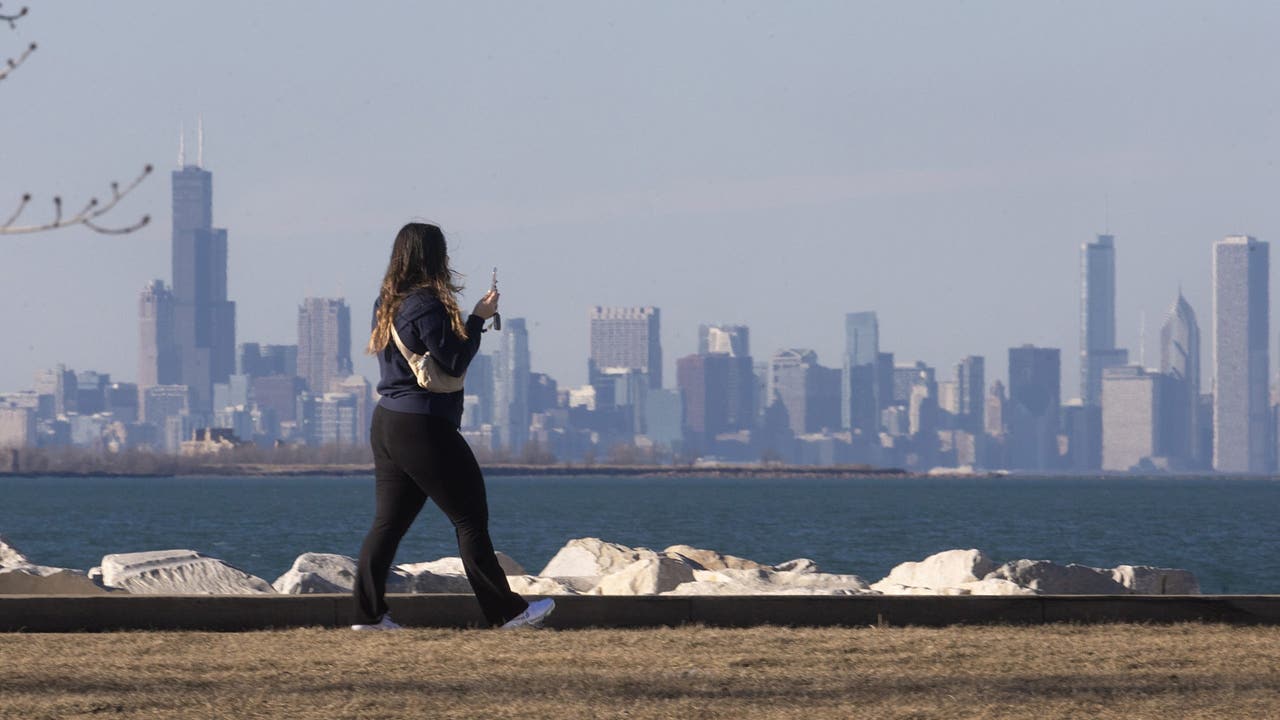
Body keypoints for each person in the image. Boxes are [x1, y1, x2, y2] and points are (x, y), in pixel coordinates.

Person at [351, 222, 554, 631]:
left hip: (387, 421)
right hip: (422, 424)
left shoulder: (386, 301)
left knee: (387, 524)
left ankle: (368, 616)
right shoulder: (426, 303)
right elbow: (455, 361)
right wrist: (479, 318)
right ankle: (507, 612)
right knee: (470, 519)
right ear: (434, 257)